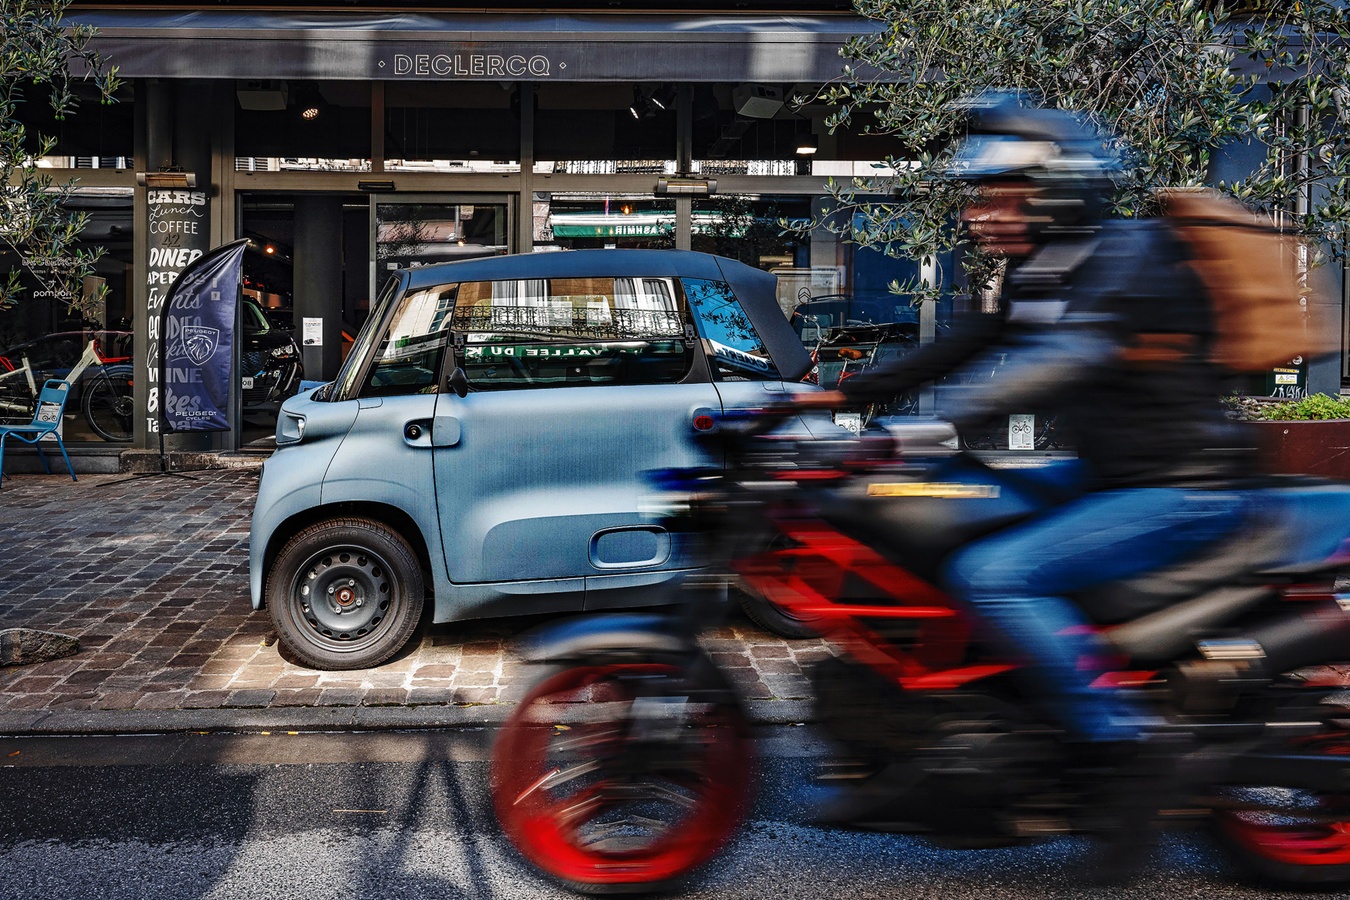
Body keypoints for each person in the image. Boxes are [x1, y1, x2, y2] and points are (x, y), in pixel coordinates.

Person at [809, 93, 1257, 750]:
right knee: (950, 497)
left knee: (990, 575)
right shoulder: (1040, 269)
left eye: (998, 194)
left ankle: (1122, 739)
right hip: (1104, 474)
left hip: (1177, 489)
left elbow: (1064, 357)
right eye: (978, 195)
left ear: (1058, 188)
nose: (975, 212)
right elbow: (962, 346)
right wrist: (834, 401)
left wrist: (920, 430)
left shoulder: (1130, 256)